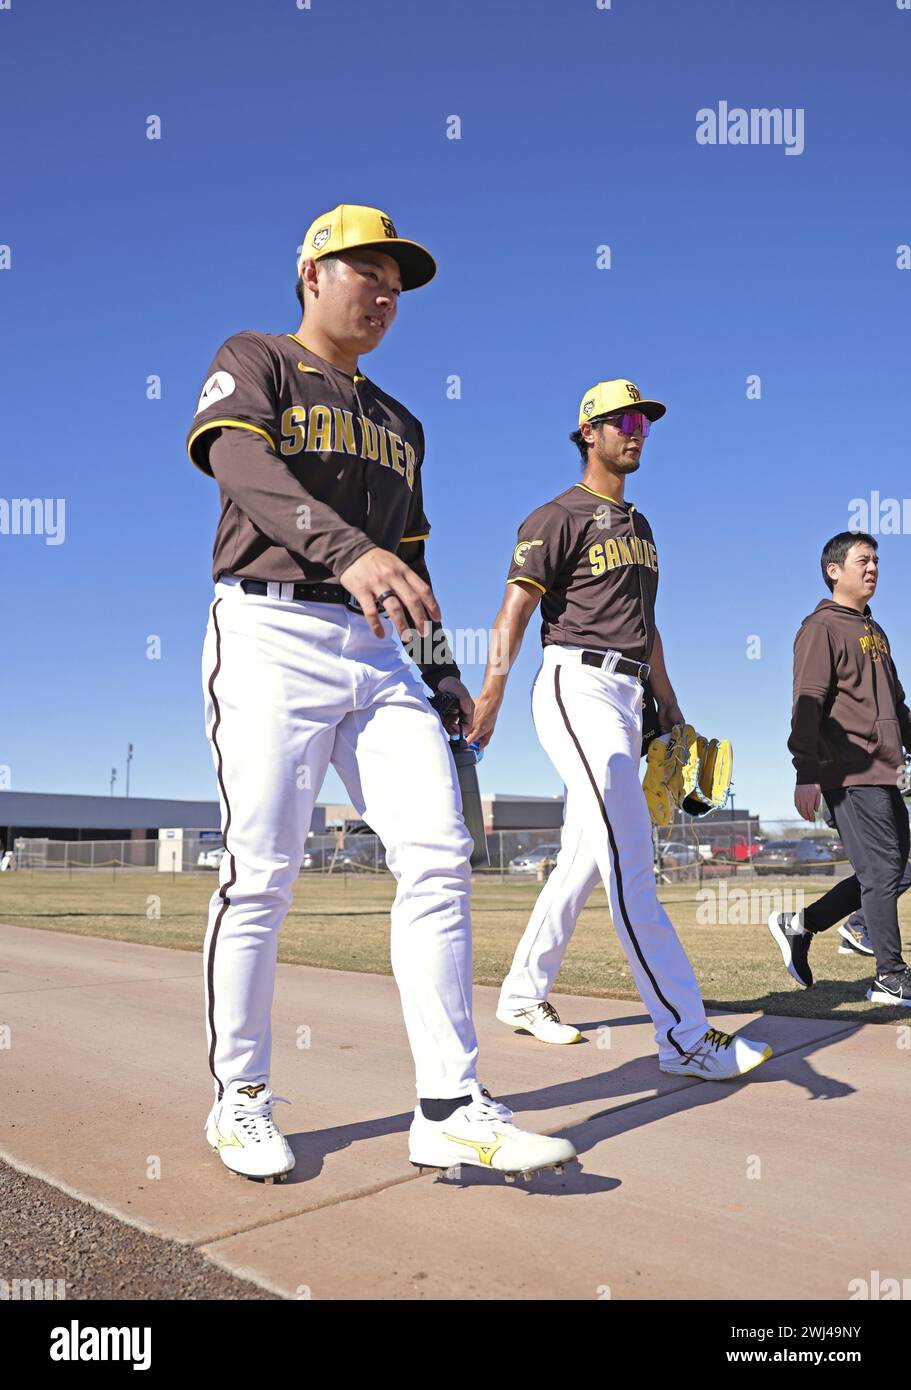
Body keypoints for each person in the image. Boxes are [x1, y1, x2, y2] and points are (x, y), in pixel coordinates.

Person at [187, 203, 575, 1182]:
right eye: (367, 268)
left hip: (376, 654)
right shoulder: (259, 356)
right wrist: (344, 549)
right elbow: (239, 466)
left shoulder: (402, 421)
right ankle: (239, 1096)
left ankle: (447, 1104)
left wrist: (444, 677)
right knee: (263, 869)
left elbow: (408, 564)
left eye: (396, 278)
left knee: (439, 855)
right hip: (269, 628)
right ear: (312, 272)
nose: (386, 290)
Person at [466, 379, 772, 1079]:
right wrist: (491, 692)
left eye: (643, 421)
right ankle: (685, 1037)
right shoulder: (555, 515)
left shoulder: (641, 526)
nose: (636, 430)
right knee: (629, 861)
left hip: (629, 692)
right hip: (576, 683)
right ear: (587, 434)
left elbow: (646, 627)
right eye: (622, 420)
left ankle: (521, 993)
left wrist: (671, 705)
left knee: (580, 857)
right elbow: (513, 611)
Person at [769, 531, 911, 1004]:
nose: (872, 568)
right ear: (834, 570)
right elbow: (807, 703)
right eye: (862, 561)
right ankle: (889, 975)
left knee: (898, 867)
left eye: (876, 561)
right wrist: (805, 771)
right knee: (879, 873)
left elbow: (897, 705)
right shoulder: (821, 628)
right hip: (847, 772)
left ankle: (803, 925)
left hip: (885, 770)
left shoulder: (874, 630)